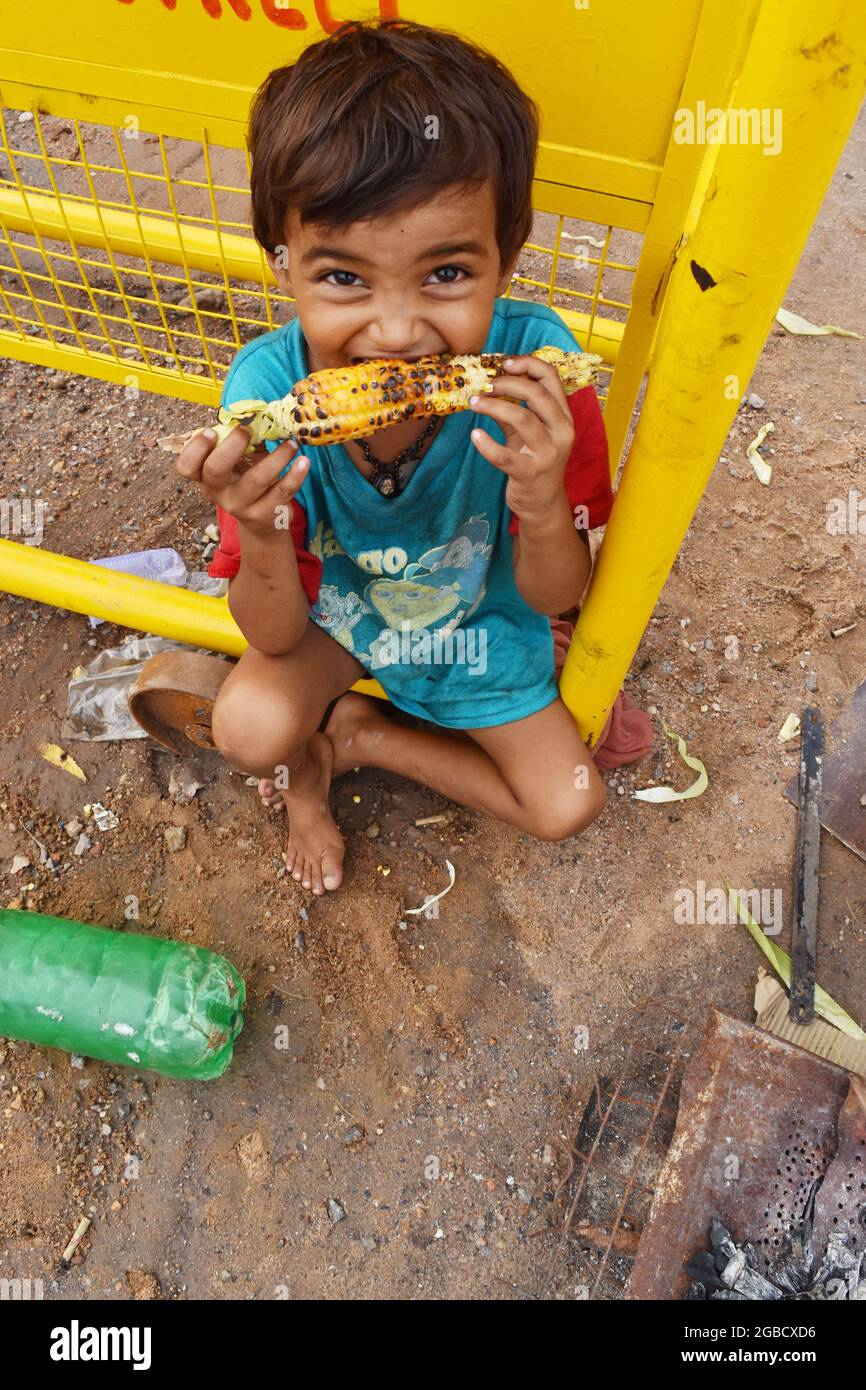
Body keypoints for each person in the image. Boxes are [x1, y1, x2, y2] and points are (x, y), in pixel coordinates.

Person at [176, 18, 651, 897]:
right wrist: (264, 529)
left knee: (571, 800)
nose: (394, 333)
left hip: (477, 619)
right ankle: (307, 775)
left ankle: (358, 739)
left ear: (507, 258)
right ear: (282, 266)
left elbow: (562, 591)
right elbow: (274, 632)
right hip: (345, 615)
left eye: (444, 275)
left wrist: (545, 500)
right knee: (247, 730)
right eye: (344, 277)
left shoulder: (537, 374)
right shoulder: (266, 389)